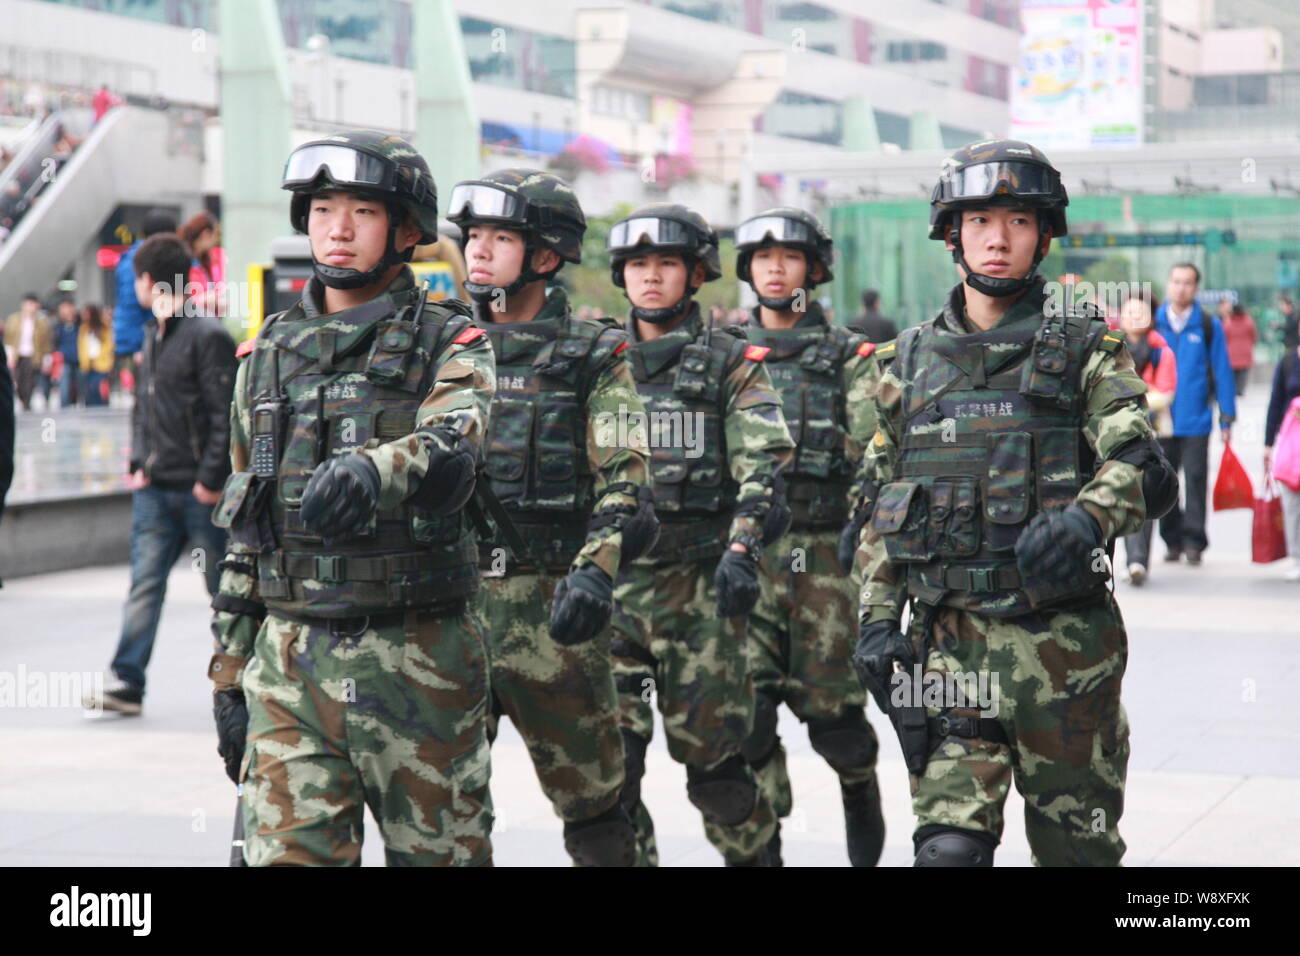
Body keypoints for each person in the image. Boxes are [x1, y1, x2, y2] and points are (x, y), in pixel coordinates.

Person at [852, 139, 1176, 867]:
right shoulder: (903, 362)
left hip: (1064, 651)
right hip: (948, 646)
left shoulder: (1089, 345)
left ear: (1044, 235)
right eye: (980, 220)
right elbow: (879, 503)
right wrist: (875, 622)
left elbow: (1141, 462)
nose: (999, 238)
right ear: (952, 234)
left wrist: (1086, 518)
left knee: (1077, 854)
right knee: (946, 853)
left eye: (1019, 221)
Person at [207, 130, 497, 866]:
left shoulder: (453, 341)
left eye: (362, 211)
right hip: (290, 666)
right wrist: (229, 673)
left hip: (420, 662)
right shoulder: (263, 355)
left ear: (404, 230)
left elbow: (454, 437)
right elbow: (247, 530)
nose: (337, 228)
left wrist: (375, 470)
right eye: (323, 208)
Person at [446, 169, 654, 866]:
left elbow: (625, 476)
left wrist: (595, 576)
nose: (477, 251)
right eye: (473, 236)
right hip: (441, 612)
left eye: (500, 237)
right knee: (440, 819)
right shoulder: (432, 346)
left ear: (544, 255)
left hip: (554, 614)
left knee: (597, 814)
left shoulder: (594, 355)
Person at [605, 203, 795, 867]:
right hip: (612, 595)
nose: (650, 277)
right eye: (637, 264)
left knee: (718, 778)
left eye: (666, 264)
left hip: (703, 596)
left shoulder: (732, 362)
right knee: (610, 780)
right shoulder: (594, 361)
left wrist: (743, 546)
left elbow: (762, 461)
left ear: (695, 275)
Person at [727, 206, 886, 866]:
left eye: (788, 256)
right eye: (763, 257)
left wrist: (862, 527)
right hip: (746, 556)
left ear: (812, 270)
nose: (774, 266)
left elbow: (877, 448)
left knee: (838, 721)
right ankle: (765, 838)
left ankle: (859, 793)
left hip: (826, 554)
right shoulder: (725, 353)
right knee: (749, 715)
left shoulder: (849, 354)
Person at [82, 234, 236, 715]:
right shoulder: (154, 334)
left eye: (137, 280)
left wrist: (210, 481)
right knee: (145, 584)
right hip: (155, 489)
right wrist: (136, 464)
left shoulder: (207, 335)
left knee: (225, 592)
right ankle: (127, 682)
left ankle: (242, 678)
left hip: (199, 493)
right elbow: (143, 408)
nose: (136, 289)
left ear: (150, 281)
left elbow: (225, 416)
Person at [1153, 263, 1236, 566]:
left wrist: (1227, 415)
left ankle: (1194, 541)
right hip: (1159, 420)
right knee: (1165, 481)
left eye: (1187, 283)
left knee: (1196, 480)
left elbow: (1223, 371)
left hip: (1196, 418)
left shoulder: (1207, 324)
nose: (1181, 288)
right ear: (1168, 284)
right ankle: (1172, 539)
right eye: (1176, 281)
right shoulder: (1154, 322)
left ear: (1196, 288)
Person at [1117, 295, 1177, 586]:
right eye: (1129, 311)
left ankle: (1138, 559)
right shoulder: (1109, 347)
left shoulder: (1160, 350)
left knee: (1145, 492)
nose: (1134, 316)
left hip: (1150, 432)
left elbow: (1165, 393)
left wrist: (1129, 399)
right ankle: (1124, 559)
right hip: (1114, 434)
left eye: (1140, 311)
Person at [113, 209, 177, 394]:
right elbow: (132, 304)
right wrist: (138, 347)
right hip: (146, 338)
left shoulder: (130, 257)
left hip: (144, 337)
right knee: (152, 394)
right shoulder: (144, 258)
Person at [1263, 342, 1300, 582]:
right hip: (1291, 443)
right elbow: (1275, 402)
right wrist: (1268, 444)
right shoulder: (1287, 362)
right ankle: (1297, 557)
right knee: (1292, 503)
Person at [4, 293, 52, 411]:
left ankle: (26, 403)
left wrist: (47, 359)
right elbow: (8, 339)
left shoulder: (42, 322)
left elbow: (46, 342)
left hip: (33, 356)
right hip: (18, 355)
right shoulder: (13, 320)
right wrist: (9, 355)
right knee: (18, 381)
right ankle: (23, 400)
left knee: (30, 382)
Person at [179, 210, 226, 316]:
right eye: (215, 235)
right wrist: (202, 300)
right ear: (205, 234)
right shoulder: (181, 261)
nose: (216, 240)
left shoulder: (205, 262)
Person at [78, 304, 114, 406]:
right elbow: (81, 346)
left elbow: (109, 345)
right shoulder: (84, 328)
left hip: (102, 364)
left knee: (99, 389)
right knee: (89, 391)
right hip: (88, 364)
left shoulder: (104, 327)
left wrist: (108, 361)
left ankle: (102, 408)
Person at [1220, 301, 1256, 397]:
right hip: (1245, 350)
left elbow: (1224, 337)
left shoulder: (1228, 322)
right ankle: (1241, 389)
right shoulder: (1248, 321)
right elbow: (1253, 335)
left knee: (1233, 373)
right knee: (1243, 372)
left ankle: (1234, 388)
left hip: (1231, 351)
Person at [52, 297, 80, 408]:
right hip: (64, 360)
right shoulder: (57, 326)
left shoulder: (80, 324)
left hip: (80, 360)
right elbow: (54, 343)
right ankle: (65, 408)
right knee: (64, 387)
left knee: (81, 387)